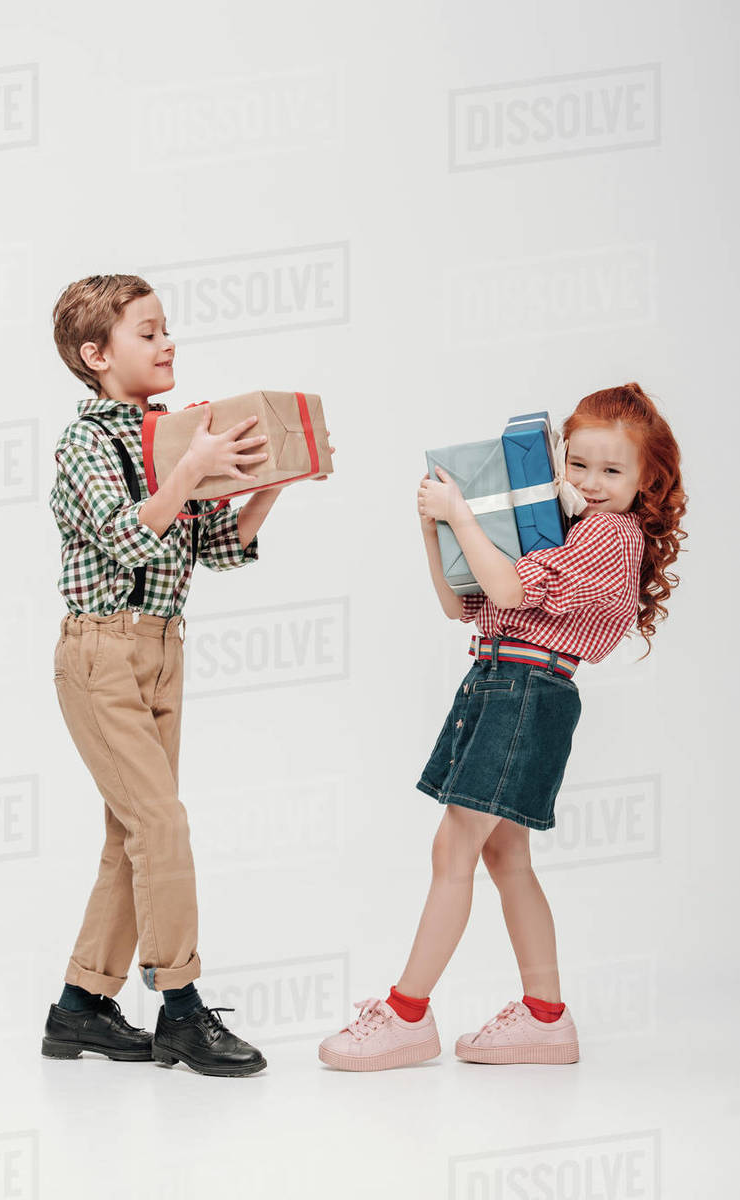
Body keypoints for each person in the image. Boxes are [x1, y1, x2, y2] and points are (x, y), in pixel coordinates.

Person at [318, 382, 686, 1071]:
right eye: (577, 465)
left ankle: (406, 1014)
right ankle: (545, 1019)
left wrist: (458, 516)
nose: (591, 482)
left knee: (452, 849)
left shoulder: (609, 534)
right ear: (557, 461)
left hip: (525, 686)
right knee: (502, 855)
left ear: (646, 481)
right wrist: (435, 530)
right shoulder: (560, 527)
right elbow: (460, 606)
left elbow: (512, 591)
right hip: (499, 680)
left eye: (612, 470)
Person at [43, 273, 331, 1076]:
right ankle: (179, 1008)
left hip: (163, 650)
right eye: (147, 332)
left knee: (130, 837)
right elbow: (126, 537)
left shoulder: (176, 434)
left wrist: (266, 485)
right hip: (100, 654)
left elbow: (214, 547)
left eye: (167, 328)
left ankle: (79, 1009)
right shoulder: (86, 446)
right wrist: (192, 467)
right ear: (96, 355)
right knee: (161, 827)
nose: (167, 342)